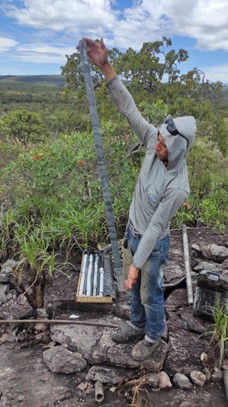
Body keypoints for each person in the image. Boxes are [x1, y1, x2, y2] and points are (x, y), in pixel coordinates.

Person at [79, 38, 196, 362]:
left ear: (177, 150)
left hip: (153, 243)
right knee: (134, 292)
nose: (156, 143)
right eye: (157, 137)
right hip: (133, 232)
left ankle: (152, 337)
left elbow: (157, 225)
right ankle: (136, 324)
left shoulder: (177, 188)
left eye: (162, 143)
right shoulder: (151, 142)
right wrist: (105, 65)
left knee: (149, 293)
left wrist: (135, 268)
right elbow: (129, 107)